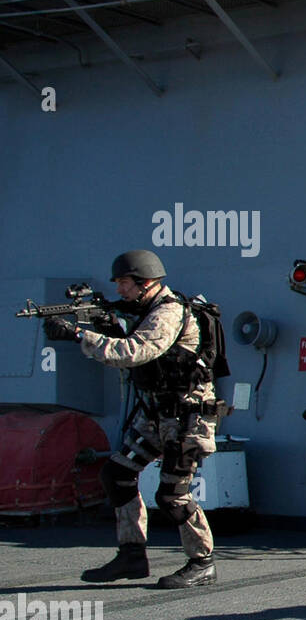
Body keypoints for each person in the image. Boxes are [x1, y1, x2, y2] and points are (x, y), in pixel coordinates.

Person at [44, 250, 223, 588]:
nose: (120, 290)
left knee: (172, 496)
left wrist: (79, 335)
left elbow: (135, 352)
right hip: (156, 414)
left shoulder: (168, 313)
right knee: (117, 473)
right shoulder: (145, 310)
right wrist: (106, 323)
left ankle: (202, 562)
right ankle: (131, 554)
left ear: (146, 282)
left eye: (124, 283)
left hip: (187, 417)